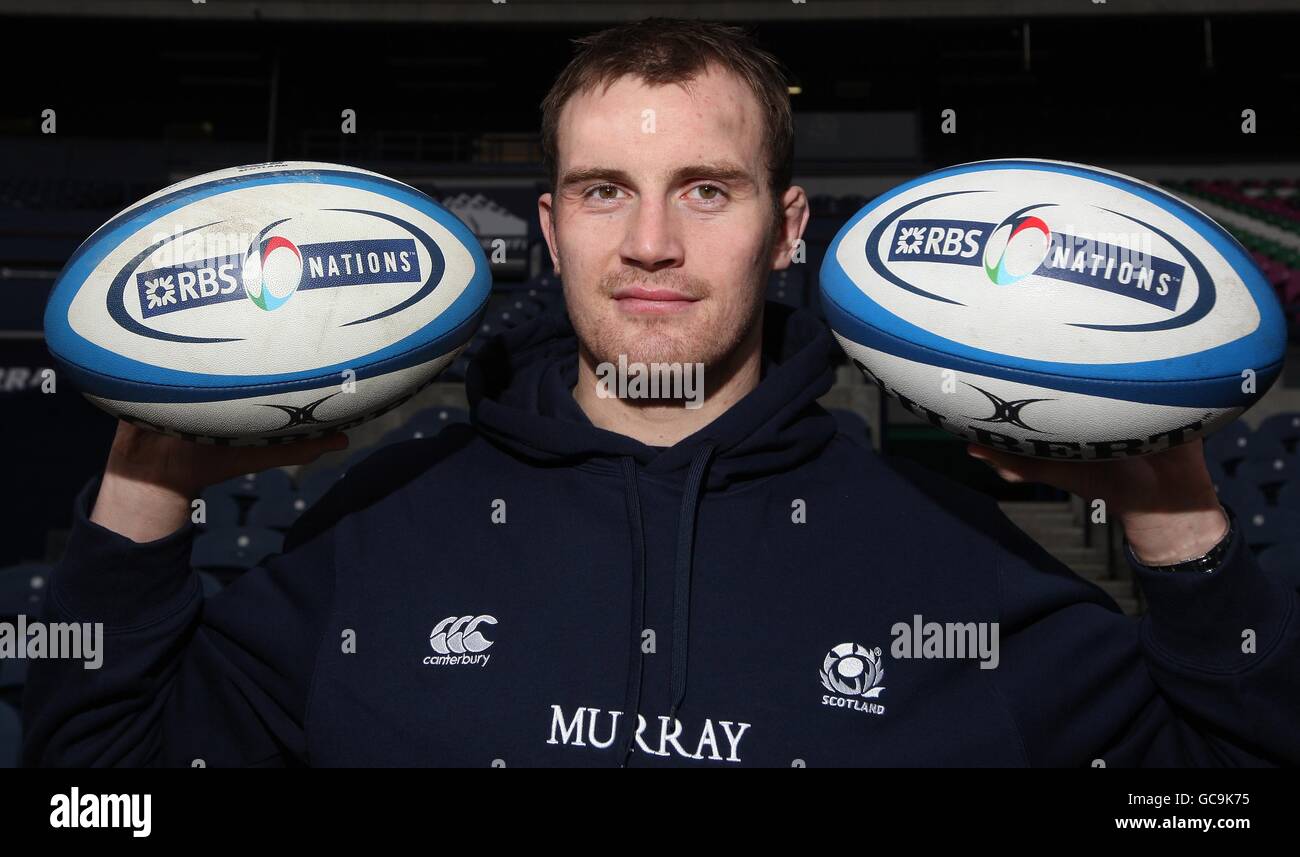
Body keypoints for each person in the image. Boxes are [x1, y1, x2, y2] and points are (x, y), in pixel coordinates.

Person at [21, 18, 1299, 767]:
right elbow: (99, 785)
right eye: (601, 192)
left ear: (785, 226)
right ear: (551, 227)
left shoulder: (947, 559)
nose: (648, 246)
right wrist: (147, 484)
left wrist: (1175, 515)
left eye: (706, 188)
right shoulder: (380, 527)